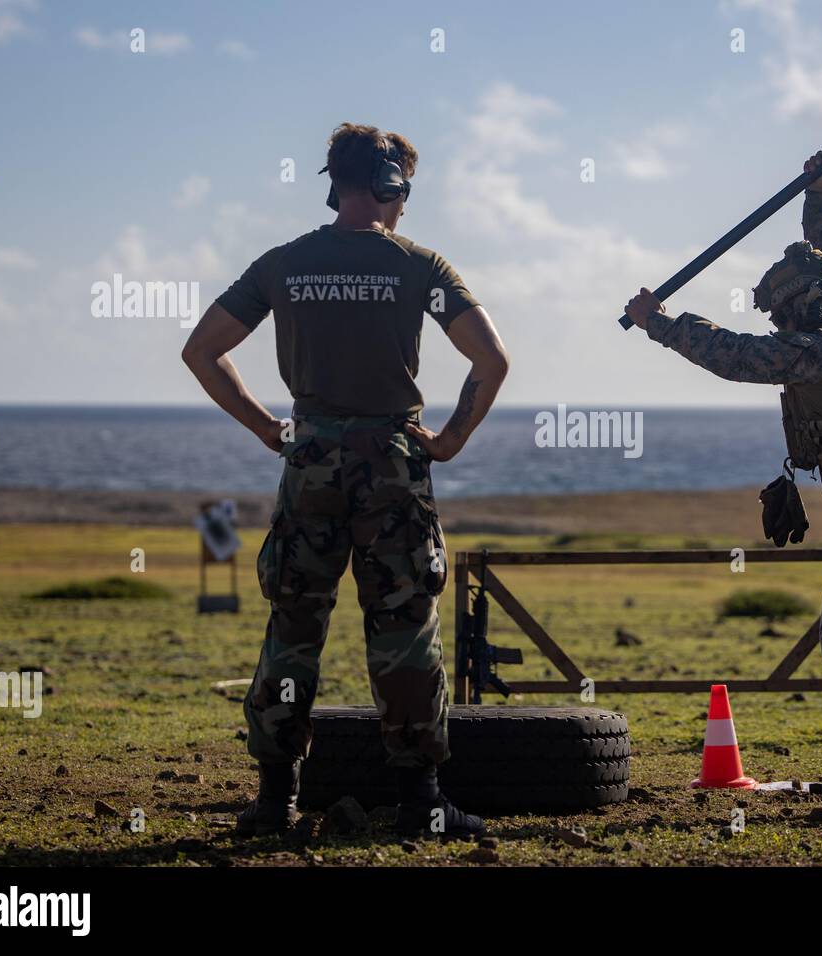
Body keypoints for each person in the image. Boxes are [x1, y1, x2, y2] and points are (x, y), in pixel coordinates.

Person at [181, 123, 509, 838]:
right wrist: (449, 441)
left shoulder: (282, 264)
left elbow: (202, 351)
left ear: (336, 183)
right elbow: (491, 360)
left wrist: (269, 429)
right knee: (403, 629)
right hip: (392, 464)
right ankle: (421, 803)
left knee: (294, 625)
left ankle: (274, 801)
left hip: (310, 463)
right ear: (392, 186)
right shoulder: (422, 267)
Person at [623, 151, 822, 820]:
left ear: (792, 309)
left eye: (778, 312)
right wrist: (818, 202)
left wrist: (660, 322)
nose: (775, 324)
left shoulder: (810, 350)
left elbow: (734, 356)